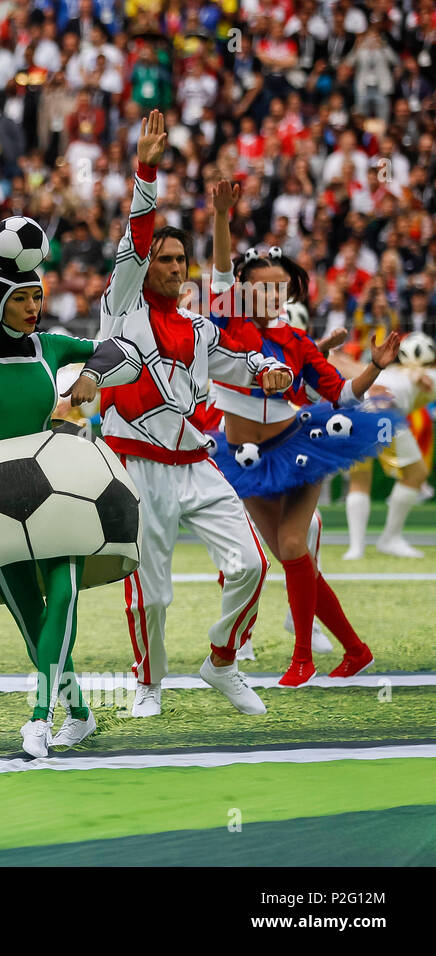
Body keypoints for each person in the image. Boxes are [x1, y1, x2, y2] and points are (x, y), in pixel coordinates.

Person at [0, 159, 148, 757]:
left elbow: (121, 353)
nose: (33, 307)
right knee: (32, 618)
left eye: (37, 296)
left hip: (57, 486)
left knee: (64, 598)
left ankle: (39, 717)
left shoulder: (51, 345)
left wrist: (92, 378)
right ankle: (78, 711)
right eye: (22, 297)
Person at [96, 112, 294, 719]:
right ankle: (148, 685)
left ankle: (221, 660)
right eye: (165, 259)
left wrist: (269, 373)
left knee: (252, 566)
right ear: (143, 266)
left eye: (183, 259)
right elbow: (135, 239)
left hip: (196, 464)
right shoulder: (120, 305)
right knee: (150, 595)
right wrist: (147, 171)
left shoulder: (199, 328)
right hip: (137, 467)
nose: (177, 268)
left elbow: (240, 362)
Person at [206, 179, 402, 685]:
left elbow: (340, 396)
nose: (272, 294)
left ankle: (303, 659)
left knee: (294, 547)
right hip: (243, 459)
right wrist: (222, 218)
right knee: (294, 560)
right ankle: (355, 650)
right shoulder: (228, 325)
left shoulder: (296, 341)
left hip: (298, 448)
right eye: (261, 285)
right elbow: (222, 271)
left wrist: (375, 367)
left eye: (281, 286)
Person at [336, 332, 436, 559]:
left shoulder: (389, 371)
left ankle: (356, 548)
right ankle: (390, 538)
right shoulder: (428, 375)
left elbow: (344, 364)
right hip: (383, 412)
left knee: (360, 478)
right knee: (417, 473)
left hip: (353, 412)